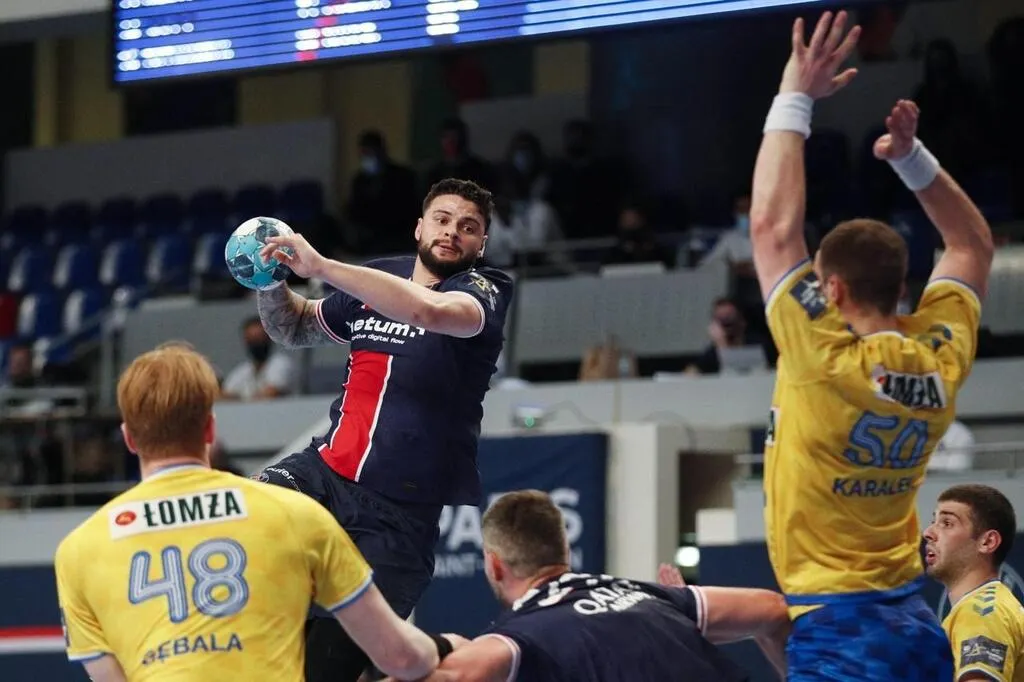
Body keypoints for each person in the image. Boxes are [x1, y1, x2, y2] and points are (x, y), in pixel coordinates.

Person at [750, 9, 993, 681]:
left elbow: (772, 228)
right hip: (911, 622)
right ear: (902, 284)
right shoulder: (939, 356)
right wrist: (911, 160)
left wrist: (794, 94)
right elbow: (972, 245)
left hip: (838, 631)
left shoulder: (822, 354)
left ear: (830, 291)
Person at [53, 343, 453, 682]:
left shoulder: (78, 550)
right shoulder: (294, 514)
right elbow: (398, 657)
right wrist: (448, 646)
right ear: (210, 429)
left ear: (128, 438)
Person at [252, 178, 513, 681]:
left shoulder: (484, 291)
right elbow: (294, 326)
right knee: (245, 520)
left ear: (481, 244)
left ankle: (424, 654)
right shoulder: (375, 278)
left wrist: (322, 268)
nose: (452, 232)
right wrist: (268, 279)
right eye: (442, 219)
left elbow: (426, 310)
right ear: (419, 226)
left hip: (397, 518)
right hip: (321, 477)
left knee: (324, 672)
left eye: (468, 227)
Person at [386, 490, 791, 682]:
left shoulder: (521, 637)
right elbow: (773, 611)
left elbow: (453, 676)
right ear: (564, 548)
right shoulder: (650, 596)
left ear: (494, 565)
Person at [924, 484, 1024, 681]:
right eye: (933, 521)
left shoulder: (982, 613)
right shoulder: (986, 608)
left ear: (987, 542)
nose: (928, 532)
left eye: (947, 523)